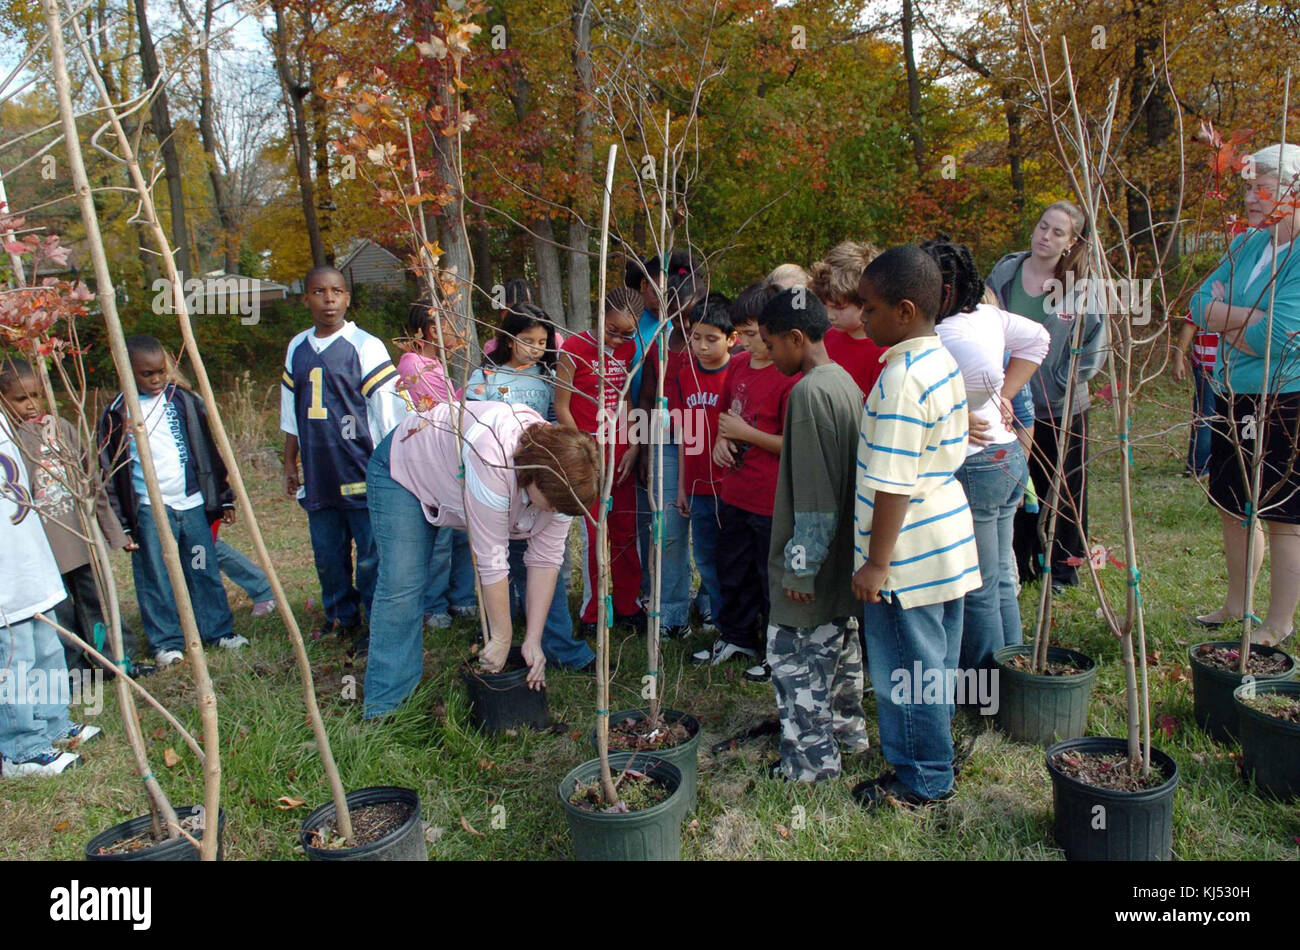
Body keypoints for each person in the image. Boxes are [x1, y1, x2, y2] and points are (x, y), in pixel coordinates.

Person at [363, 400, 599, 717]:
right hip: (408, 470)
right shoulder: (493, 458)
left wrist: (532, 639)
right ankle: (385, 706)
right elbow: (491, 560)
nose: (556, 513)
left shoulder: (564, 482)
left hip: (468, 483)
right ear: (534, 477)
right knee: (402, 586)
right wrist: (502, 637)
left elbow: (546, 560)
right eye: (554, 505)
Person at [851, 245, 981, 809]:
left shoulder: (902, 379)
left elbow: (894, 482)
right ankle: (934, 754)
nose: (861, 318)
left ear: (904, 310)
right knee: (935, 664)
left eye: (869, 308)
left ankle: (923, 778)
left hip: (906, 557)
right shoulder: (937, 359)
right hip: (945, 542)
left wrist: (876, 564)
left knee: (907, 669)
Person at [1188, 142, 1300, 646]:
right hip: (1235, 392)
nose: (1251, 197)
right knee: (1234, 501)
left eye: (1262, 187)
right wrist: (1248, 323)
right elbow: (1198, 302)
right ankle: (1238, 602)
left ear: (1294, 191)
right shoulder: (1248, 245)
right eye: (1247, 186)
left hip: (1287, 397)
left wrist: (1235, 325)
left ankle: (1278, 623)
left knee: (1282, 513)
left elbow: (1280, 336)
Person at [757, 287, 870, 782]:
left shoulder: (807, 394)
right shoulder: (844, 380)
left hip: (814, 565)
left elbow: (816, 496)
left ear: (797, 338)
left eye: (770, 342)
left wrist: (800, 567)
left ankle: (810, 765)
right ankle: (850, 734)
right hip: (845, 561)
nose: (766, 352)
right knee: (840, 649)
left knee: (794, 661)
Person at [926, 238, 1049, 675]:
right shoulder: (986, 316)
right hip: (1005, 453)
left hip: (976, 462)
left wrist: (979, 404)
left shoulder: (945, 333)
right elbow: (1038, 337)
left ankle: (985, 681)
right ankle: (1012, 668)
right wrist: (1003, 398)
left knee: (978, 584)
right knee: (997, 575)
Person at [281, 266, 407, 650]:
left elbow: (388, 414)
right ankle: (340, 616)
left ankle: (376, 622)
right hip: (319, 473)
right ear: (306, 299)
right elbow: (291, 409)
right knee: (327, 555)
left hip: (360, 470)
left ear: (348, 297)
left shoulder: (366, 346)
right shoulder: (297, 347)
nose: (329, 299)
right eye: (319, 292)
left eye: (337, 291)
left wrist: (394, 467)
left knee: (370, 555)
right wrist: (289, 461)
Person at [98, 336, 243, 666]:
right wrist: (122, 524)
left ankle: (217, 630)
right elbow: (108, 473)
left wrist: (223, 496)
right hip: (149, 509)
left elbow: (207, 450)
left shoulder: (184, 402)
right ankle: (166, 641)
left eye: (161, 371)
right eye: (147, 374)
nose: (156, 380)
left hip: (190, 502)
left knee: (201, 565)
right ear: (127, 372)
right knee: (156, 575)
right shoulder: (116, 414)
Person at [988, 200, 1107, 592]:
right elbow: (983, 324)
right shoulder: (1006, 270)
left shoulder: (1083, 287)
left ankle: (1064, 568)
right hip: (1008, 401)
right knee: (1016, 483)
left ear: (1072, 242)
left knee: (1066, 488)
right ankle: (1021, 562)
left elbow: (1095, 348)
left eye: (1058, 232)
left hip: (1061, 406)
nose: (1046, 236)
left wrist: (1058, 381)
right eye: (1043, 226)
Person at [467, 302, 590, 670]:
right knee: (496, 563)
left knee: (547, 564)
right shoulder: (486, 377)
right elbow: (469, 421)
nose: (534, 347)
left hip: (545, 482)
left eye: (541, 341)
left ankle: (557, 645)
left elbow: (557, 424)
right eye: (526, 340)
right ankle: (499, 636)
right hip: (499, 479)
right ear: (507, 339)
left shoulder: (548, 376)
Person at [1, 358, 141, 672]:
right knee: (58, 612)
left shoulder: (61, 428)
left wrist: (114, 532)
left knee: (98, 602)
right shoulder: (8, 443)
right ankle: (72, 670)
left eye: (36, 395)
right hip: (45, 548)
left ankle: (115, 660)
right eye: (21, 399)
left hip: (81, 537)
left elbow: (91, 481)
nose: (32, 405)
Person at [692, 282, 798, 680]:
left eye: (755, 335)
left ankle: (776, 651)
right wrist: (722, 441)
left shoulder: (791, 376)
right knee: (731, 567)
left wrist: (745, 434)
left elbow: (796, 444)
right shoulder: (737, 366)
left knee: (771, 577)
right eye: (745, 334)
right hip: (733, 491)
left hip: (771, 499)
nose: (750, 344)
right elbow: (725, 416)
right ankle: (736, 636)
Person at [0, 409, 98, 777]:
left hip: (28, 560)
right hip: (4, 577)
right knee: (14, 660)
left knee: (47, 649)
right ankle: (22, 748)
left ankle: (54, 722)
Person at [556, 288, 645, 634]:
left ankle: (627, 604)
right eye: (612, 330)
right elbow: (562, 405)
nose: (619, 338)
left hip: (620, 455)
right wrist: (584, 452)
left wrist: (633, 444)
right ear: (598, 316)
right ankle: (593, 612)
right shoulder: (574, 349)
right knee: (595, 535)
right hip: (588, 455)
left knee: (625, 532)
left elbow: (625, 398)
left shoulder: (629, 349)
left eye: (627, 332)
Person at [638, 258, 710, 638]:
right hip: (666, 438)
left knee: (710, 523)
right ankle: (671, 612)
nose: (683, 321)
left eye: (688, 311)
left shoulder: (709, 343)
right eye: (673, 312)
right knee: (667, 528)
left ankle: (713, 604)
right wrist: (646, 450)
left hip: (705, 437)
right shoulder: (659, 343)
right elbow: (647, 399)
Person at [397, 298, 475, 630]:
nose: (456, 334)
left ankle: (462, 597)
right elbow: (436, 410)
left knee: (461, 529)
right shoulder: (414, 363)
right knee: (442, 533)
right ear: (428, 332)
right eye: (448, 327)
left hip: (451, 453)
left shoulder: (437, 363)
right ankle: (434, 604)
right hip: (431, 456)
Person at [672, 293, 736, 639]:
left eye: (711, 339)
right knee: (707, 560)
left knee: (736, 559)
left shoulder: (738, 373)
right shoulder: (685, 376)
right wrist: (683, 485)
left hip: (733, 487)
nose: (701, 346)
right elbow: (685, 435)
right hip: (699, 487)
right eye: (695, 337)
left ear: (731, 339)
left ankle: (739, 623)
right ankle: (724, 622)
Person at [809, 241, 889, 400]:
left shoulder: (883, 352)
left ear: (866, 302)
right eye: (825, 305)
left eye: (839, 308)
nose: (830, 315)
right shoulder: (826, 339)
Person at [1170, 313, 1220, 479]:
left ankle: (1215, 460)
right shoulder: (1205, 296)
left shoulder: (1245, 295)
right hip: (1207, 365)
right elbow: (1190, 326)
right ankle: (1200, 466)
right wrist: (1178, 358)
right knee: (1206, 414)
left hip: (1235, 365)